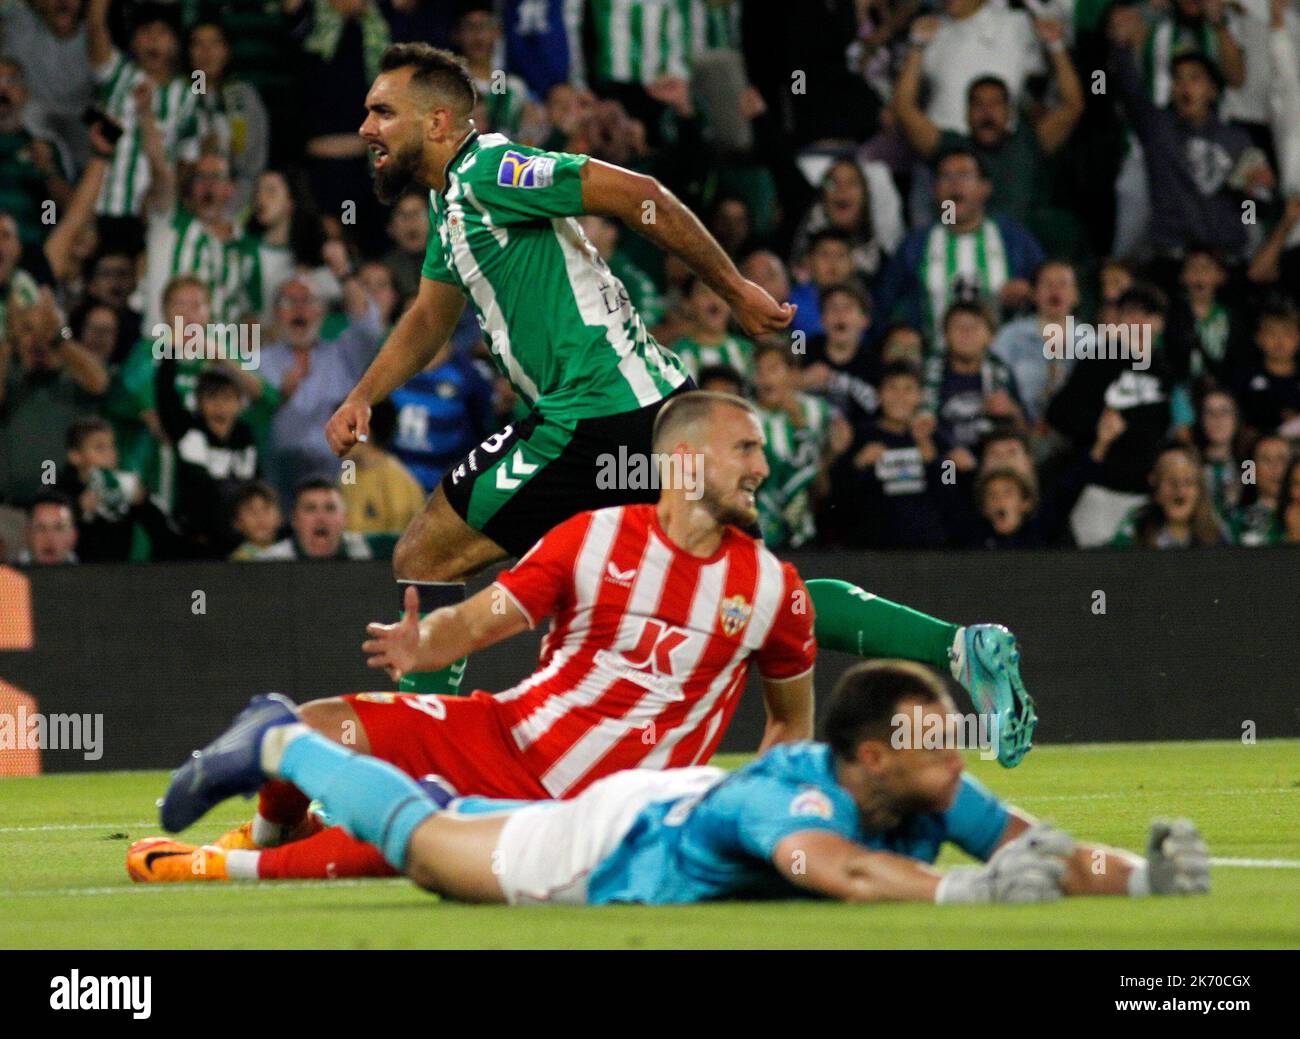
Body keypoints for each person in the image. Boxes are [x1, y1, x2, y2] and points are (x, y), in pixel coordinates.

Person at [127, 393, 1037, 883]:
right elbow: (479, 620)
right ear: (685, 462)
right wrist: (423, 644)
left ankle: (228, 865)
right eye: (746, 451)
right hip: (503, 733)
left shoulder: (775, 592)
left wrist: (764, 811)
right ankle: (267, 821)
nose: (765, 466)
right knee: (315, 724)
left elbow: (788, 731)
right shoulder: (591, 535)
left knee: (428, 838)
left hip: (604, 807)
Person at [322, 42, 790, 697]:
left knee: (426, 554)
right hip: (646, 408)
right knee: (742, 587)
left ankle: (425, 759)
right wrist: (363, 395)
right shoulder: (447, 201)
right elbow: (431, 315)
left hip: (596, 417)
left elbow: (638, 194)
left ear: (435, 124)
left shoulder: (492, 170)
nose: (367, 127)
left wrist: (734, 289)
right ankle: (959, 645)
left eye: (383, 112)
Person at [140, 660, 1209, 908]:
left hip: (663, 798)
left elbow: (1035, 846)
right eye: (938, 742)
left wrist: (1139, 878)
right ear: (872, 753)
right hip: (605, 846)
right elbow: (828, 866)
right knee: (429, 851)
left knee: (450, 815)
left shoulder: (925, 787)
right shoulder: (794, 803)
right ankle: (282, 743)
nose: (957, 761)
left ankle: (308, 760)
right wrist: (958, 893)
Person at [1110, 443, 1230, 548]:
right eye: (1171, 481)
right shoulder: (1135, 526)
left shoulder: (1217, 530)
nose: (1180, 491)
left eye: (1188, 482)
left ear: (1199, 490)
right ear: (1155, 485)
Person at [17, 491, 78, 565]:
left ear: (73, 536)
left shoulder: (89, 574)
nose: (49, 538)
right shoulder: (7, 575)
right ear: (27, 534)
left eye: (58, 528)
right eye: (40, 528)